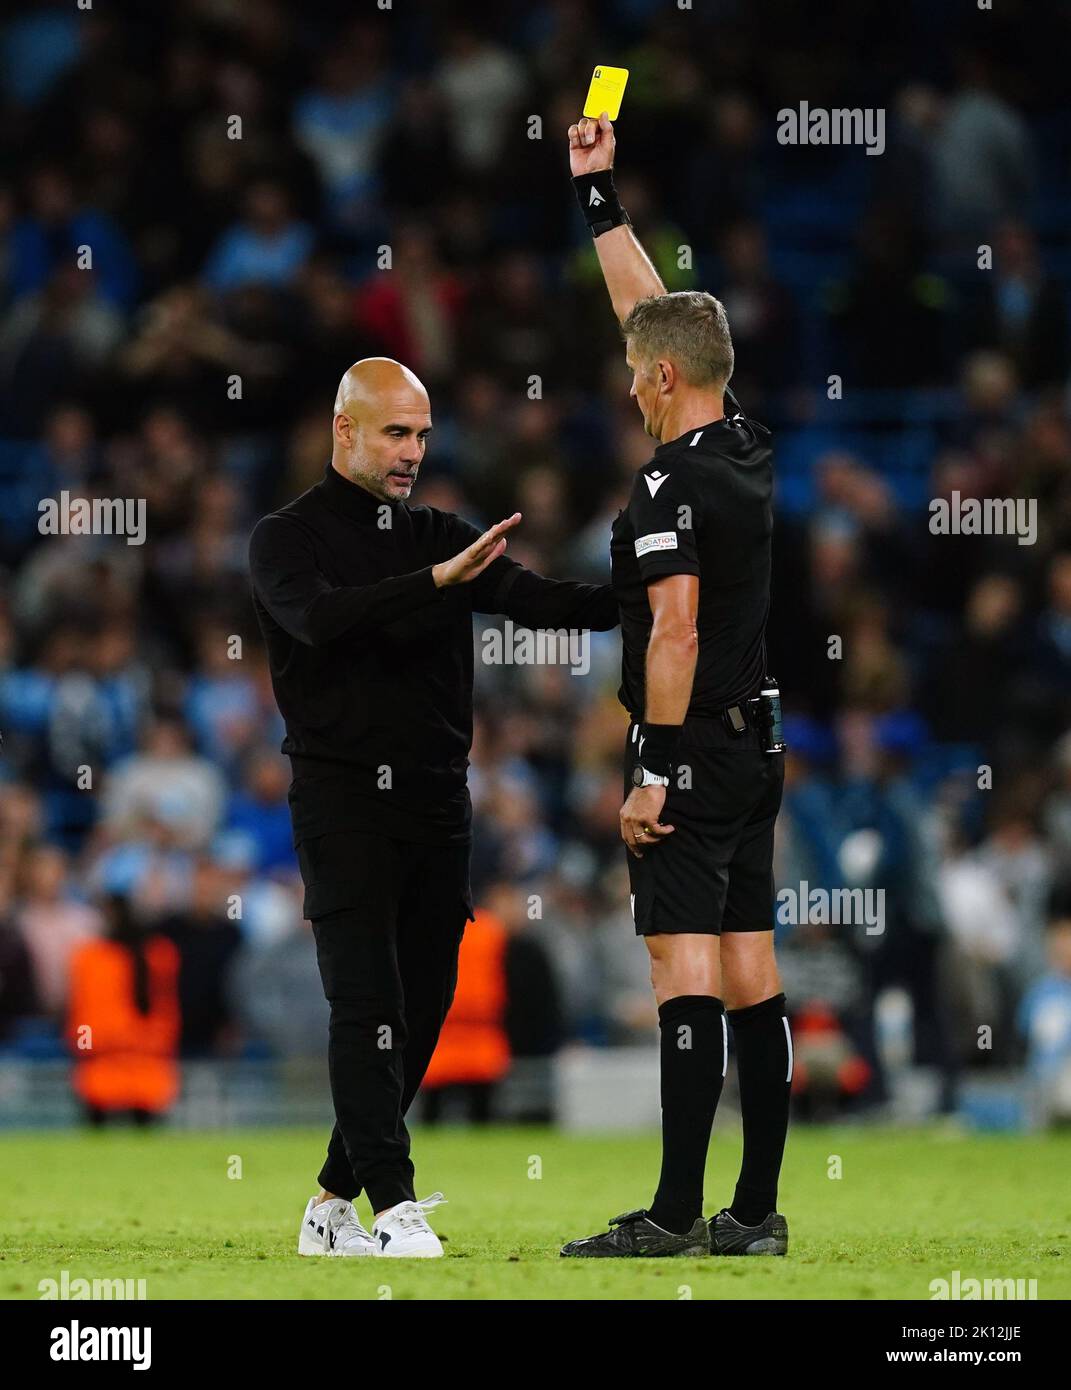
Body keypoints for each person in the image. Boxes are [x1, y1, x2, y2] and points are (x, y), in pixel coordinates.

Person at [248, 356, 618, 1257]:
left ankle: (331, 1202)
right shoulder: (284, 539)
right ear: (345, 432)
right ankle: (393, 1204)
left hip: (437, 802)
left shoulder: (441, 535)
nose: (413, 450)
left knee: (421, 1007)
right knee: (365, 1000)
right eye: (395, 433)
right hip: (340, 798)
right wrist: (436, 585)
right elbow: (324, 621)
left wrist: (657, 592)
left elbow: (543, 602)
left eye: (420, 433)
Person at [559, 113, 792, 1258]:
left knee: (682, 970)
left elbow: (677, 629)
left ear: (659, 380)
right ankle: (753, 1216)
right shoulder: (746, 444)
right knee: (754, 970)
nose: (630, 384)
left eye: (635, 373)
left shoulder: (662, 488)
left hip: (692, 746)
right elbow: (649, 317)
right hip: (761, 748)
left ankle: (668, 1215)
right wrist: (600, 198)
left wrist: (649, 766)